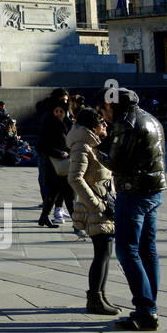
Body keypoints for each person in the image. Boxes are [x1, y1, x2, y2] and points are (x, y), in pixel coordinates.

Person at [107, 88, 167, 330]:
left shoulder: (126, 123)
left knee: (126, 250)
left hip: (133, 191)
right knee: (147, 249)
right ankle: (149, 307)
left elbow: (114, 161)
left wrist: (94, 148)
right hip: (154, 189)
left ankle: (145, 309)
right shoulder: (151, 119)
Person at [67, 107, 118, 315]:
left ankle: (101, 295)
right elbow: (75, 178)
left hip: (106, 206)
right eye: (102, 123)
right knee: (102, 253)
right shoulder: (82, 147)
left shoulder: (92, 145)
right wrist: (96, 204)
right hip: (97, 208)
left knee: (106, 253)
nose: (105, 125)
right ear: (93, 127)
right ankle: (95, 299)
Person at [37, 89, 72, 227]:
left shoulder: (65, 117)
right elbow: (42, 144)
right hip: (52, 160)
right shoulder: (49, 118)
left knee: (54, 191)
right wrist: (58, 153)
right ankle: (78, 225)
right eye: (62, 100)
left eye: (66, 100)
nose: (64, 103)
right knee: (66, 192)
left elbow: (70, 134)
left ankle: (44, 217)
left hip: (61, 160)